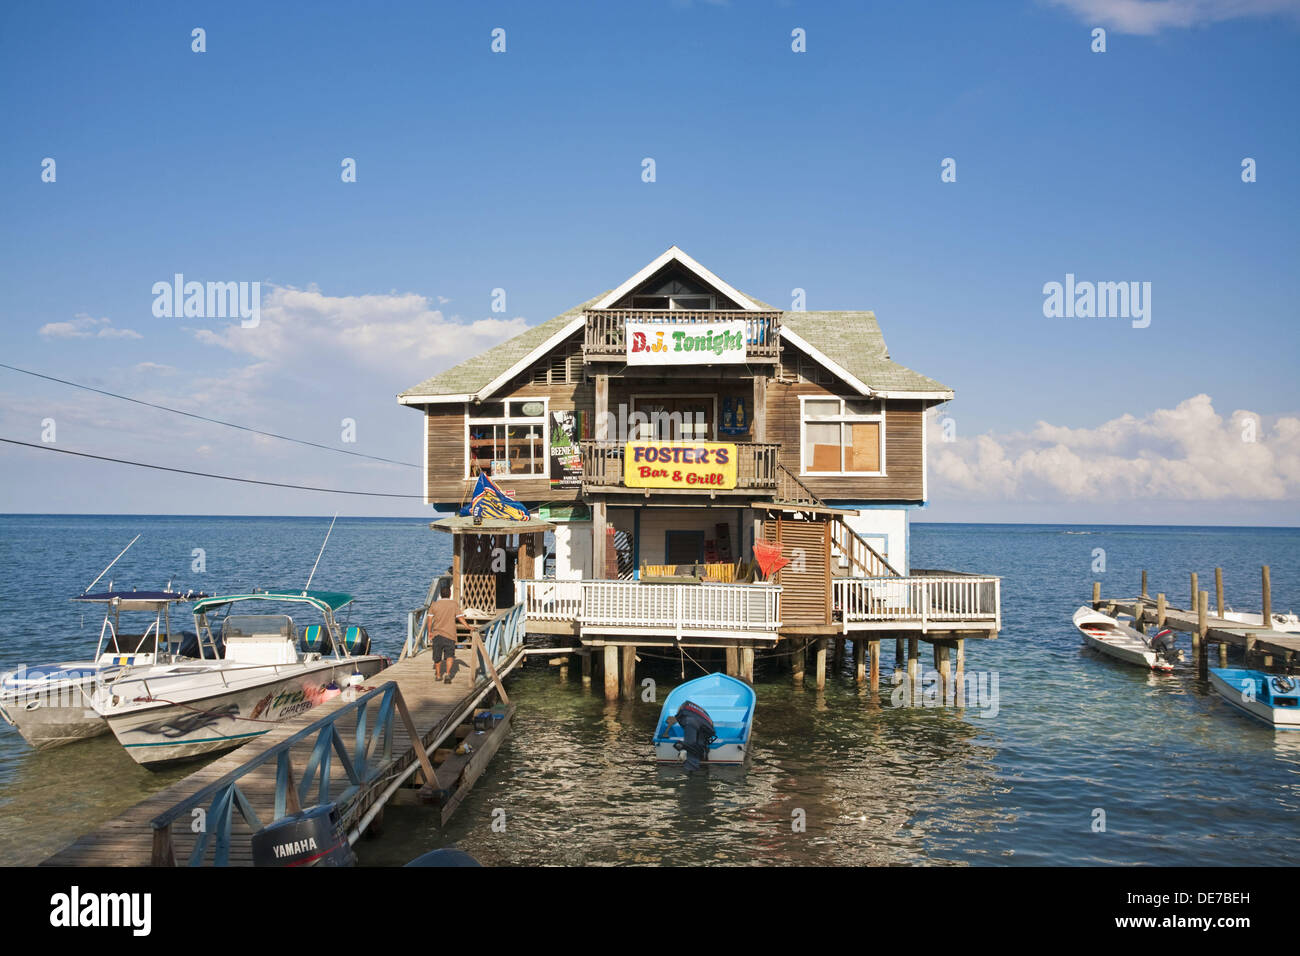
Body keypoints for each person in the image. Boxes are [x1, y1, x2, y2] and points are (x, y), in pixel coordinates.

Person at [426, 579, 467, 684]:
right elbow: (460, 618)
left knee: (437, 656)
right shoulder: (454, 604)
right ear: (449, 594)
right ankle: (448, 674)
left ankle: (438, 675)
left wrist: (429, 632)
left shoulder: (434, 605)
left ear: (440, 594)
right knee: (449, 655)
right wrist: (468, 627)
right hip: (450, 634)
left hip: (437, 634)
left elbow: (429, 621)